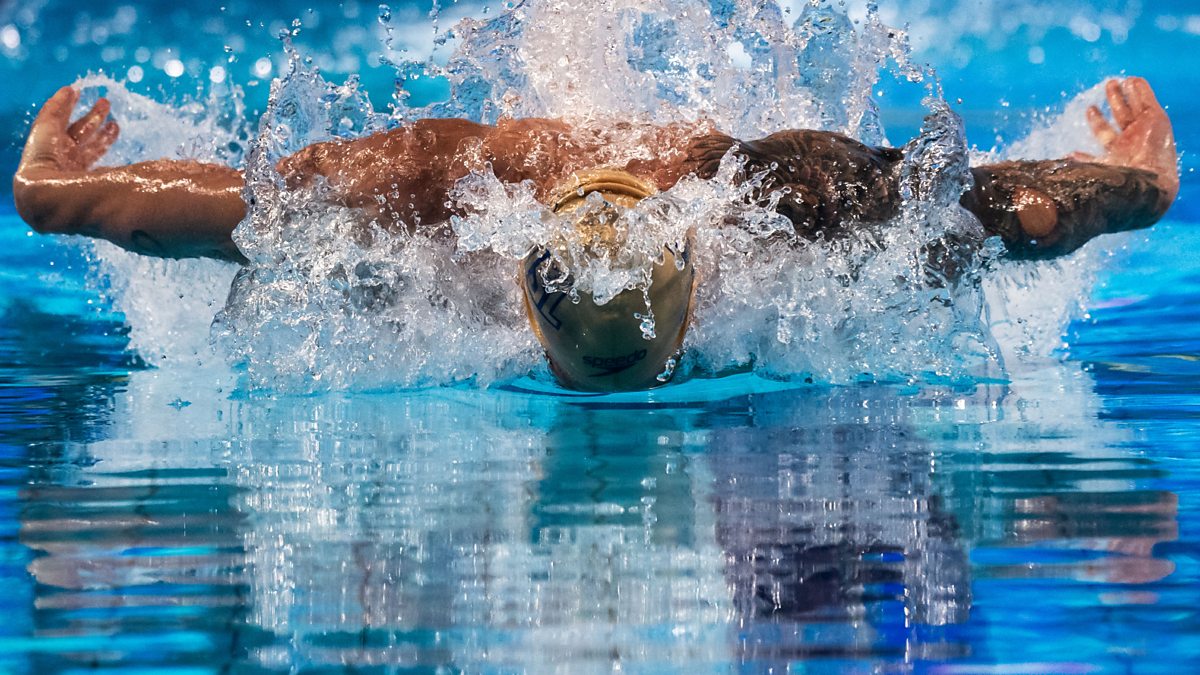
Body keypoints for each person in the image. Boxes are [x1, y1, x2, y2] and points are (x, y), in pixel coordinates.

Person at [12, 78, 1179, 391]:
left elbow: (977, 206)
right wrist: (49, 198)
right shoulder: (429, 197)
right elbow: (230, 211)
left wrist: (1135, 194)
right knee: (311, 202)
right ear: (519, 299)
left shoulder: (775, 196)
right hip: (486, 172)